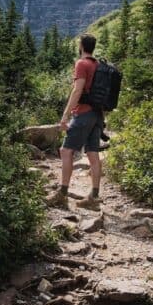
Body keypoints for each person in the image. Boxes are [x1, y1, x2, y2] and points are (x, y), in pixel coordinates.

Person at [47, 33, 102, 210]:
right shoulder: (98, 64)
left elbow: (77, 90)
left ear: (81, 46)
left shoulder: (81, 63)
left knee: (65, 150)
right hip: (97, 115)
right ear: (93, 47)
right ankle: (94, 198)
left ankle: (62, 195)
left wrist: (65, 115)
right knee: (93, 154)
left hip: (84, 113)